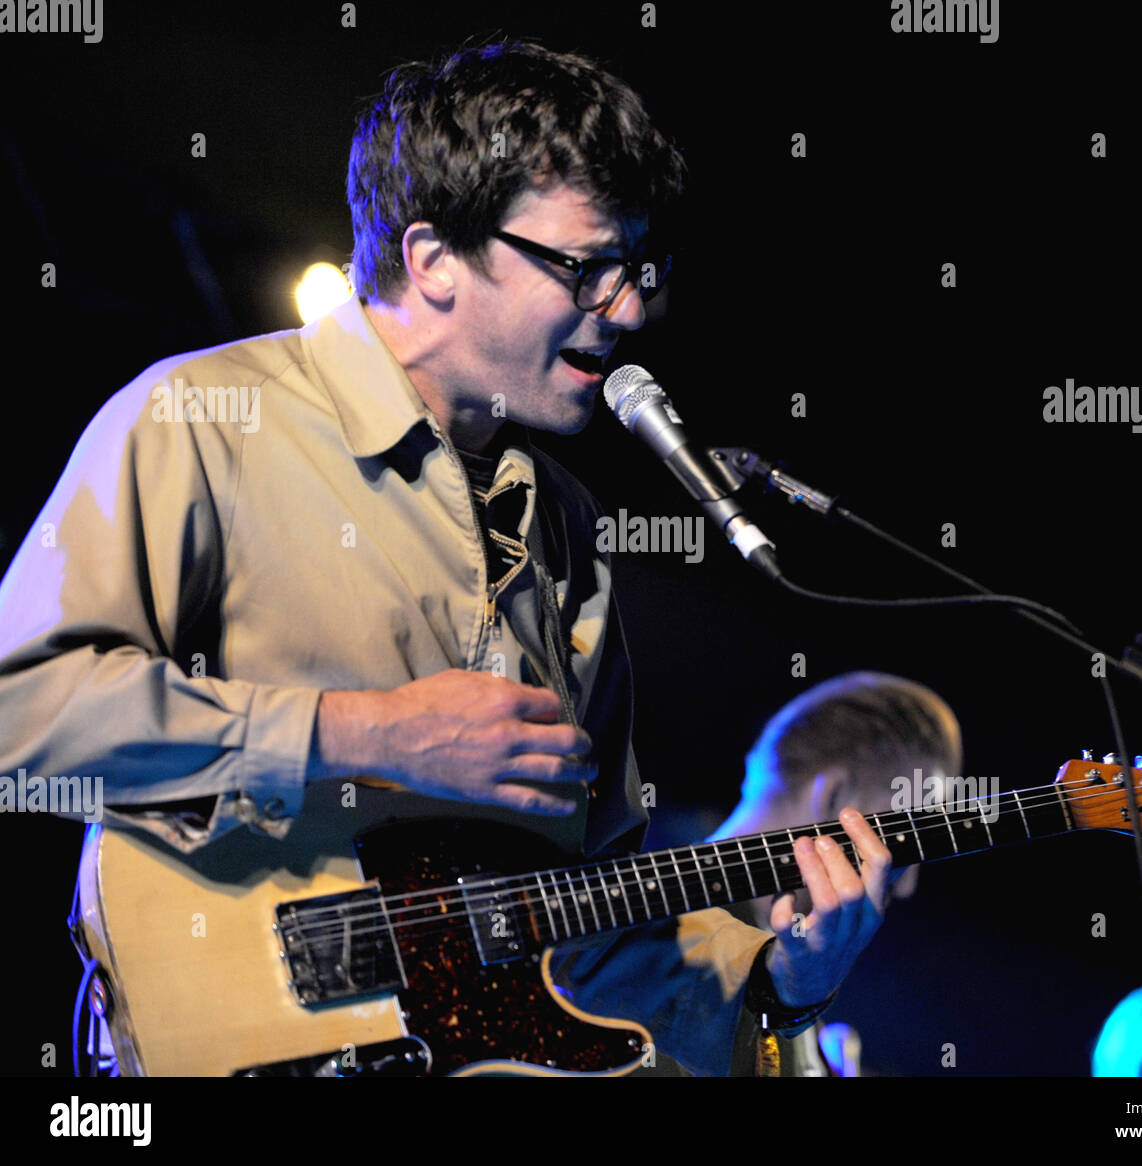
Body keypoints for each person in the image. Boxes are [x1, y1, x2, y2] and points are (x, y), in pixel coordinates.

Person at [0, 40, 894, 1077]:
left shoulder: (564, 524)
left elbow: (586, 912)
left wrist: (782, 978)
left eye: (640, 269)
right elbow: (21, 717)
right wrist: (364, 730)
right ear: (430, 258)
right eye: (585, 266)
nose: (631, 309)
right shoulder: (203, 416)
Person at [637, 671, 962, 1075]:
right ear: (835, 797)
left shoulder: (780, 978)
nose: (908, 882)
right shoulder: (660, 957)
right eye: (908, 841)